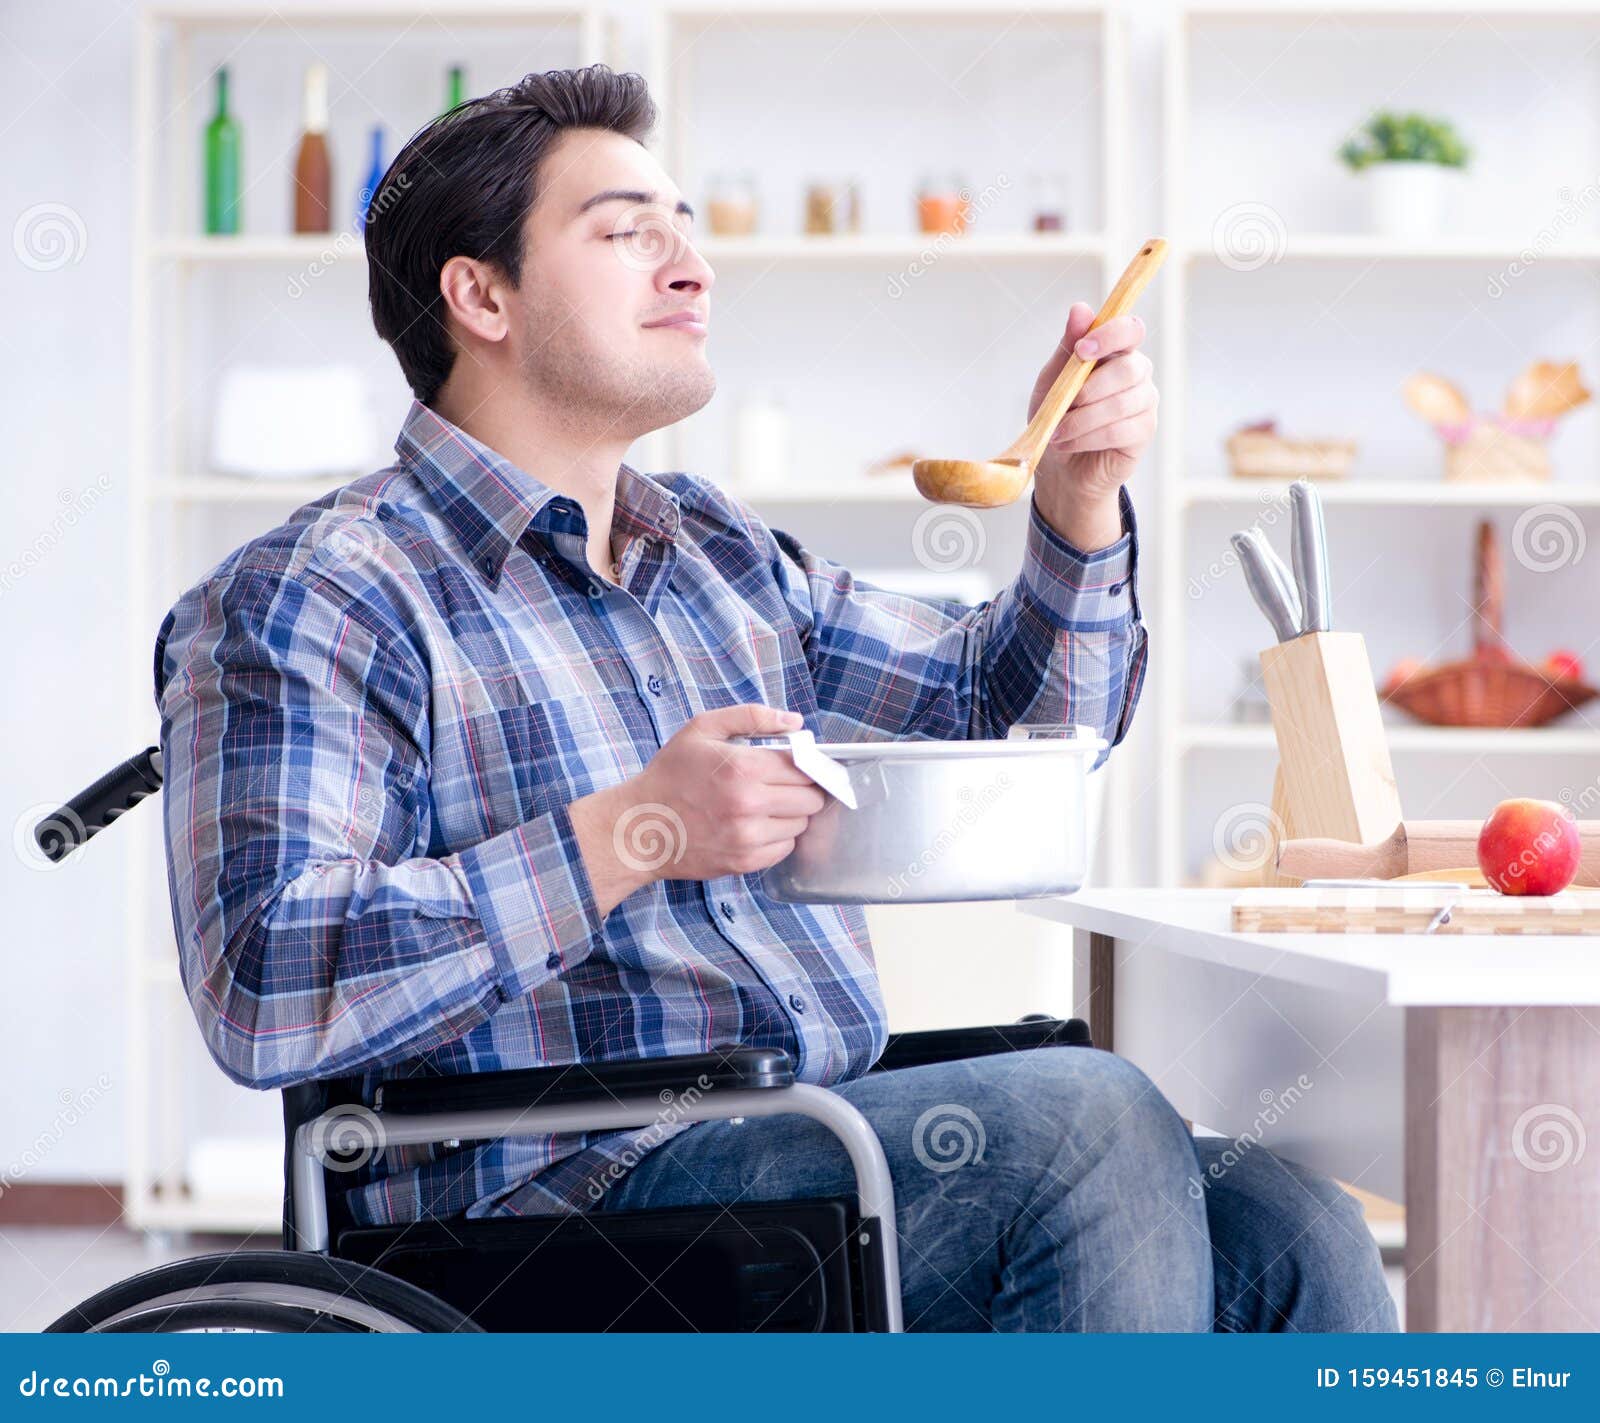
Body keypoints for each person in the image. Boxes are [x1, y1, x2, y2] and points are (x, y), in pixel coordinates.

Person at [153, 65, 1395, 1332]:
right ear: (479, 294)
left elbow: (1023, 729)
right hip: (543, 1217)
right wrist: (632, 833)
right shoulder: (317, 592)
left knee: (1289, 1224)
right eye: (627, 231)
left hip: (802, 1143)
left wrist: (1073, 501)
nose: (689, 264)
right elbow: (265, 982)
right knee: (1082, 1127)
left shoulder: (715, 552)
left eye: (683, 226)